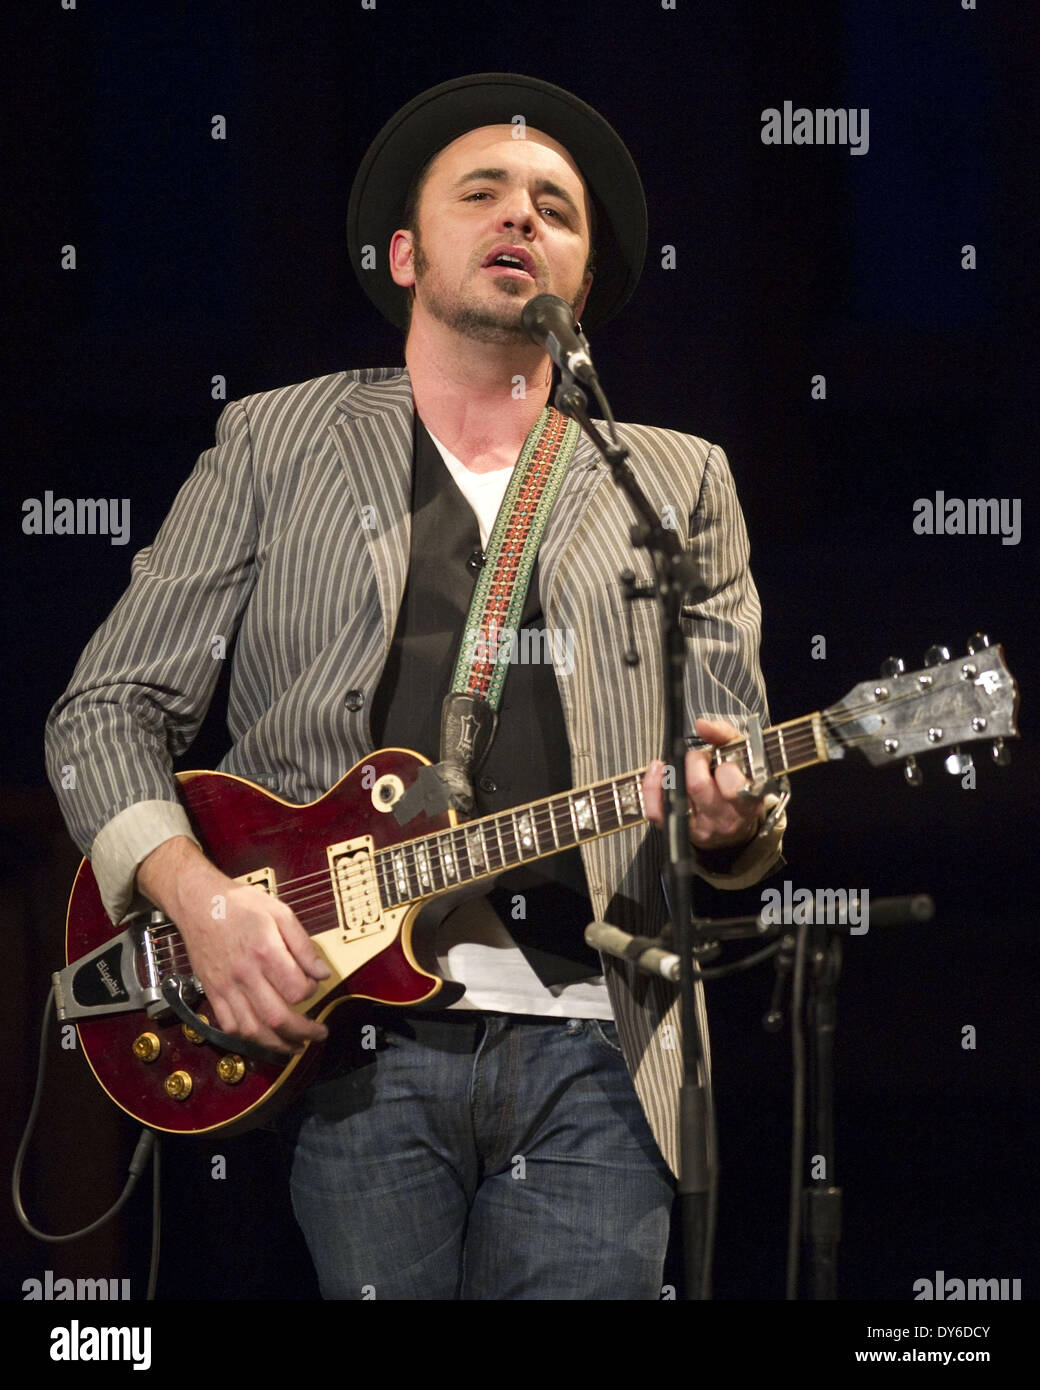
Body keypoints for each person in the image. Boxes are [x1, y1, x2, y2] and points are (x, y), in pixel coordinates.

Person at [45, 73, 784, 1300]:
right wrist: (201, 902)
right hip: (354, 1041)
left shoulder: (675, 480)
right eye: (480, 192)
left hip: (602, 1036)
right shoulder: (277, 441)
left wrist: (733, 819)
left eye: (554, 206)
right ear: (400, 252)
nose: (519, 216)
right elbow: (105, 709)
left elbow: (730, 760)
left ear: (580, 285)